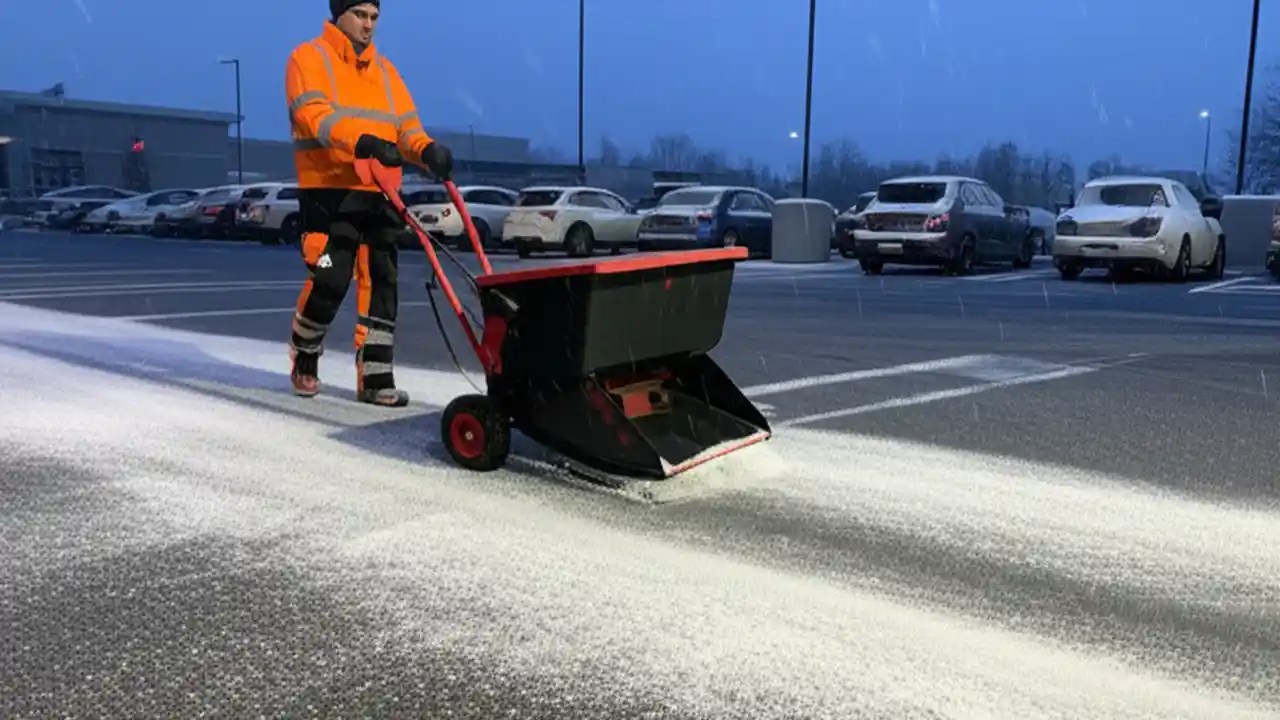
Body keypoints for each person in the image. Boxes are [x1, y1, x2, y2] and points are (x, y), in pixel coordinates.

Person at [285, 0, 453, 405]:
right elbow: (314, 116)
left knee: (382, 280)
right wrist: (361, 141)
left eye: (374, 17)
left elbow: (407, 129)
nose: (369, 24)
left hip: (379, 193)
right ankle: (305, 350)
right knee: (330, 274)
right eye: (360, 15)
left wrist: (426, 150)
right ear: (339, 14)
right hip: (329, 192)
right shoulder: (308, 58)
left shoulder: (386, 72)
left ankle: (375, 376)